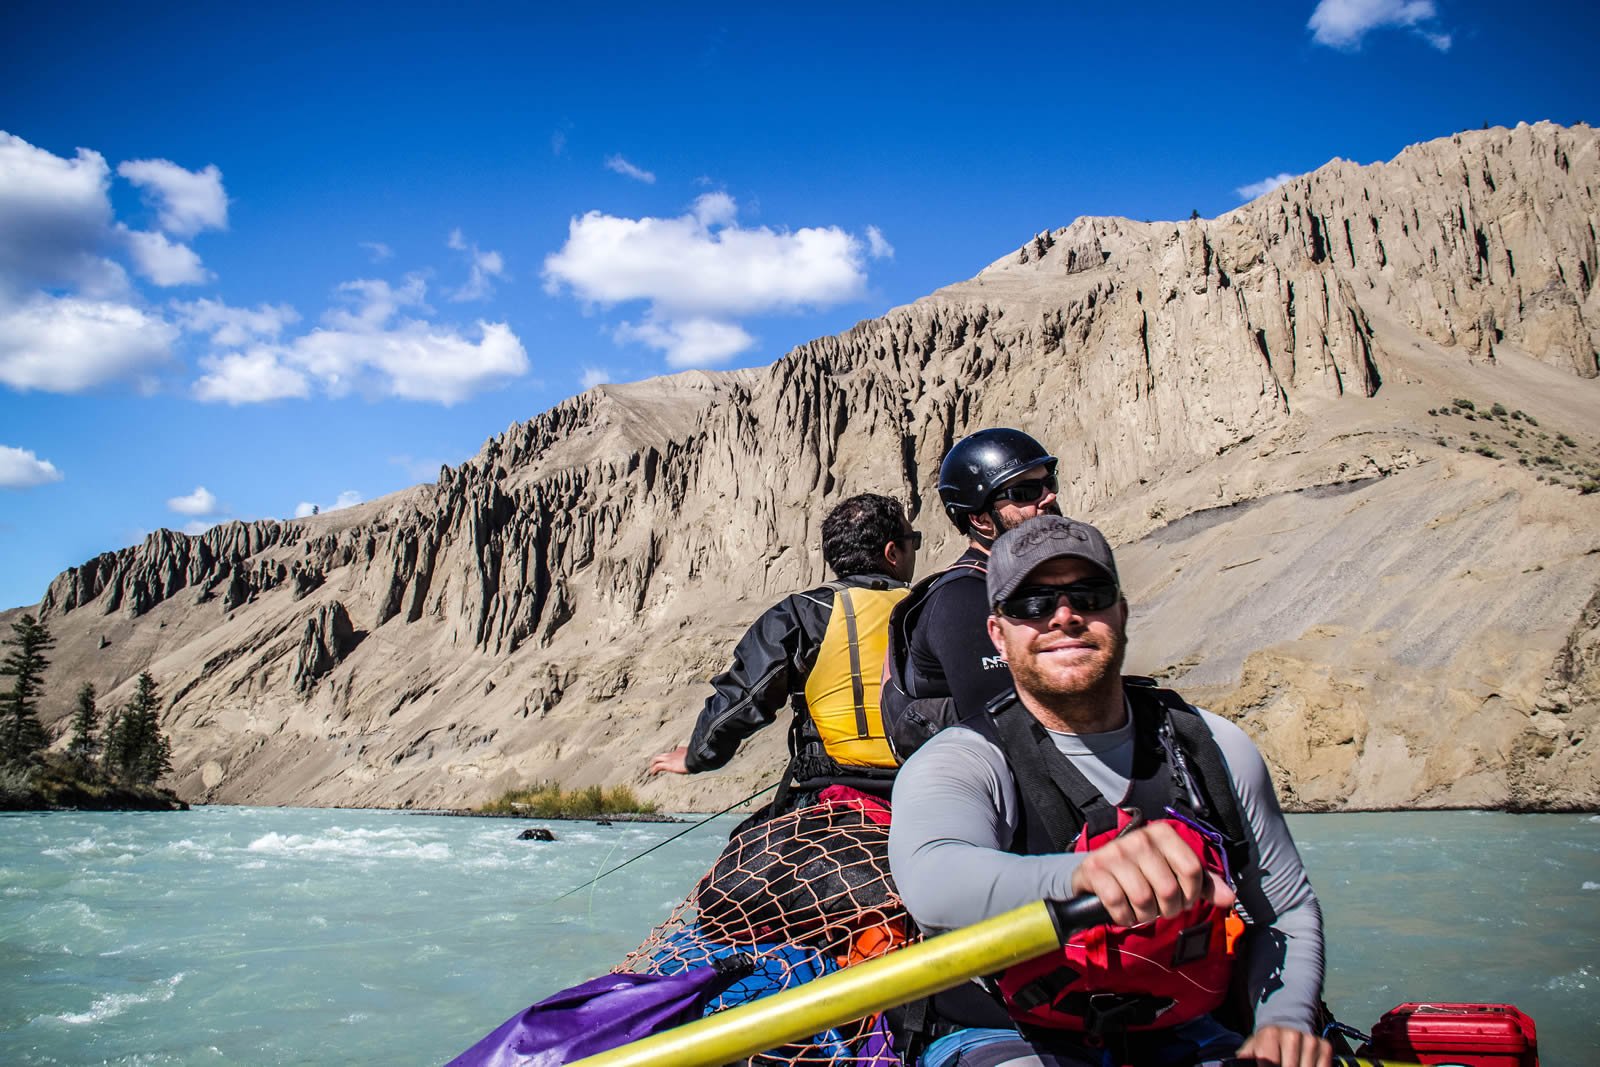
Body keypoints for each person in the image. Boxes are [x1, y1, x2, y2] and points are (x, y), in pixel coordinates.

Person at [888, 515, 1332, 1067]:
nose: (1065, 616)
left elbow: (1283, 910)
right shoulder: (962, 759)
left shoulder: (1216, 747)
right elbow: (934, 885)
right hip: (1009, 1030)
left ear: (1121, 612)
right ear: (998, 634)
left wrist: (1283, 1023)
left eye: (1089, 594)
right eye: (1032, 602)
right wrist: (1084, 876)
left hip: (1184, 1027)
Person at [650, 493, 919, 814]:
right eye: (912, 540)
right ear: (892, 553)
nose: (916, 548)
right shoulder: (937, 605)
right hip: (933, 786)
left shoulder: (803, 613)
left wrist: (698, 756)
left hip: (835, 791)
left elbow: (745, 696)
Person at [881, 428, 1061, 758]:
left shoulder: (1022, 583)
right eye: (1025, 492)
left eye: (1050, 484)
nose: (1048, 496)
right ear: (979, 518)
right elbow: (1016, 740)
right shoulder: (963, 600)